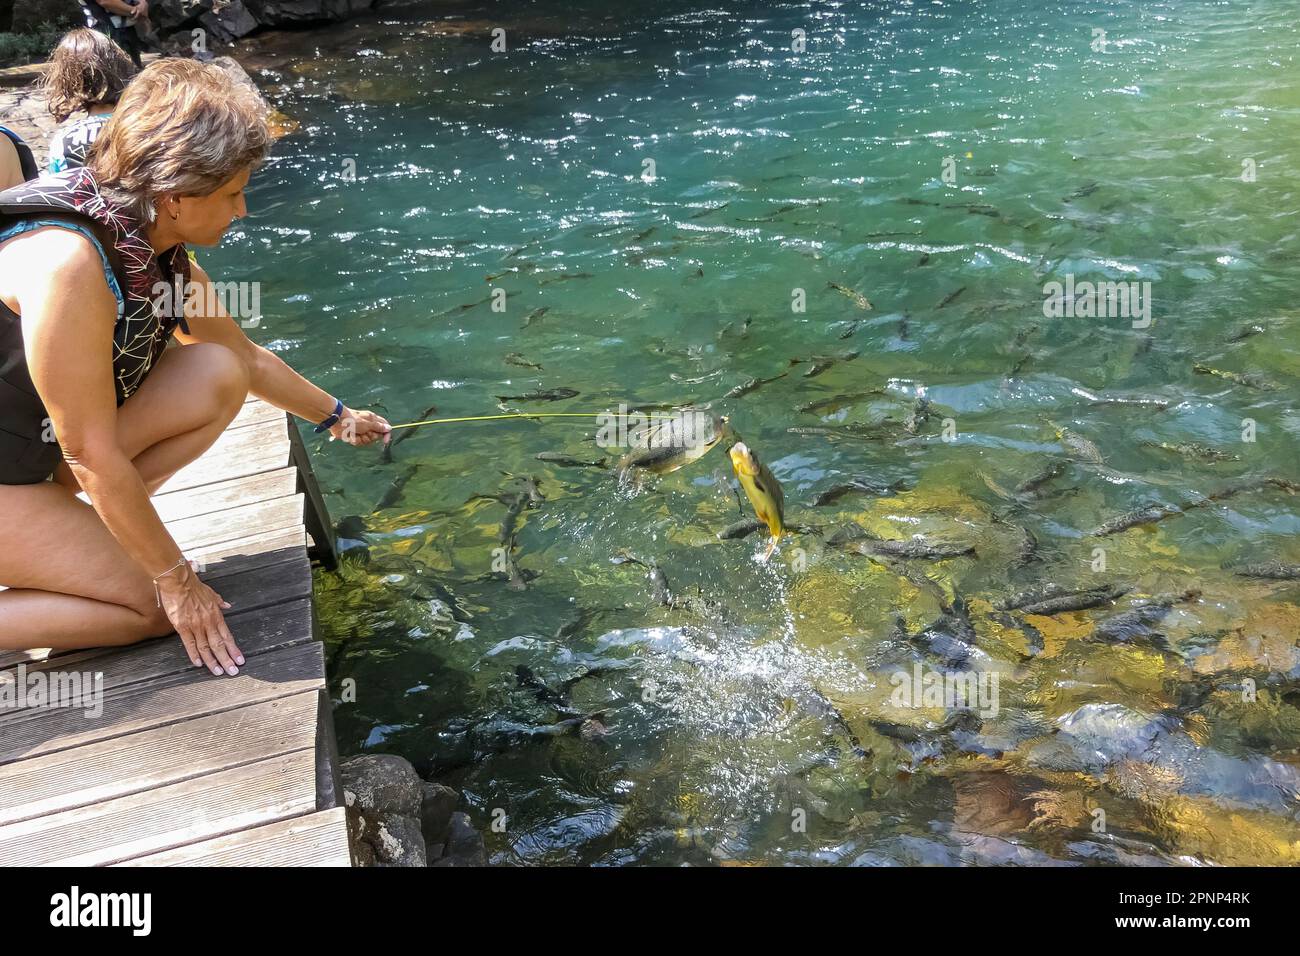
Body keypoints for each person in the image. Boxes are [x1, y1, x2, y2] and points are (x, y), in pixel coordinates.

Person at [0, 59, 390, 675]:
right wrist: (176, 579)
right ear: (176, 195)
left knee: (214, 369)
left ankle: (72, 536)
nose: (242, 211)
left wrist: (338, 417)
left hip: (22, 466)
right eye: (233, 193)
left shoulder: (150, 246)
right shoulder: (69, 265)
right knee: (154, 608)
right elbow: (88, 452)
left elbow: (244, 360)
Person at [41, 28, 138, 174]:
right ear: (123, 68)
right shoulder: (143, 126)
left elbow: (58, 192)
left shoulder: (64, 141)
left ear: (67, 81)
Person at [77, 0, 147, 69]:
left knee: (134, 69)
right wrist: (136, 11)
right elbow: (105, 1)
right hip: (106, 31)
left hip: (126, 29)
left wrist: (142, 3)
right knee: (120, 72)